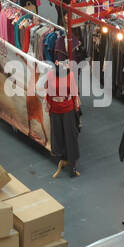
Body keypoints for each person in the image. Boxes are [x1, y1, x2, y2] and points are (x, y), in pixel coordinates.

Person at [45, 48, 80, 177]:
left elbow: (74, 93)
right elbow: (49, 93)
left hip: (63, 109)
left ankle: (70, 164)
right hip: (60, 109)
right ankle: (67, 161)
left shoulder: (66, 75)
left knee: (67, 136)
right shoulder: (53, 75)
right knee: (63, 136)